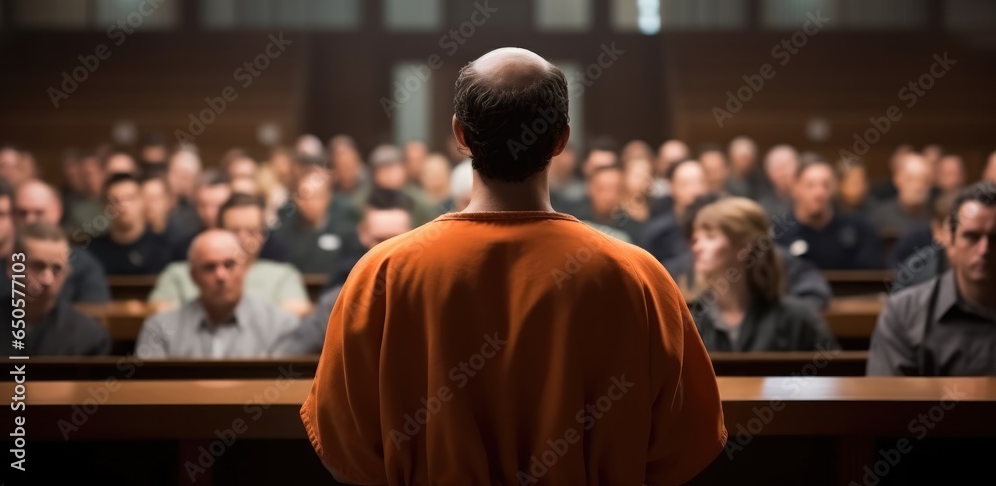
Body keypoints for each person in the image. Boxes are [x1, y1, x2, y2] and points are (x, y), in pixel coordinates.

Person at [301, 47, 726, 485]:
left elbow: (344, 448)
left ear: (459, 135)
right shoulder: (638, 277)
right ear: (561, 139)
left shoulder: (383, 273)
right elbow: (684, 444)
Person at [867, 182, 996, 375]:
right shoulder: (904, 314)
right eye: (971, 237)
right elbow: (887, 400)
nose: (984, 250)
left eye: (995, 238)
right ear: (949, 243)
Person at [687, 197, 839, 352]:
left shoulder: (798, 319)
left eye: (710, 237)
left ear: (745, 248)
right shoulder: (692, 321)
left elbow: (836, 372)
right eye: (696, 240)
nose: (696, 248)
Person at [280, 188, 415, 355]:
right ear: (363, 234)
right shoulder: (338, 297)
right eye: (380, 240)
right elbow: (292, 354)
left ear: (414, 237)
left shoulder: (428, 293)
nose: (388, 251)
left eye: (398, 239)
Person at [135, 229, 299, 358]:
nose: (220, 276)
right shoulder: (159, 330)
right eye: (209, 267)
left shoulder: (281, 326)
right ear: (193, 276)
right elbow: (149, 394)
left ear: (245, 269)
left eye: (229, 264)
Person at [149, 194, 310, 316]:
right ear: (217, 230)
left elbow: (295, 316)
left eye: (252, 231)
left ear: (262, 235)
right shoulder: (178, 274)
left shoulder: (283, 276)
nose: (242, 239)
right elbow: (159, 314)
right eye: (234, 231)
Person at [0, 223, 111, 356]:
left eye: (57, 268)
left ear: (67, 272)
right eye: (38, 266)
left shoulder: (90, 337)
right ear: (13, 267)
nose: (47, 280)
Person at [7, 178, 110, 303]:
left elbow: (96, 314)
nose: (30, 221)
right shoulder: (0, 261)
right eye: (22, 213)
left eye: (39, 213)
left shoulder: (85, 266)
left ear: (57, 211)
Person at [775, 157, 884, 270]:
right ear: (795, 188)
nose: (819, 192)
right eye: (810, 185)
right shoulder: (780, 233)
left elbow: (871, 275)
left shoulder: (860, 228)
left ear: (834, 188)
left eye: (825, 185)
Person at [87, 173, 170, 274]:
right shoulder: (94, 253)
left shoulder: (164, 249)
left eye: (130, 198)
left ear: (143, 202)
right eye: (114, 200)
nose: (122, 206)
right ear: (105, 206)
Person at [871, 153, 933, 238]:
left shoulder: (936, 218)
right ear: (897, 180)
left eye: (924, 180)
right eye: (911, 179)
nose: (918, 186)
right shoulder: (879, 217)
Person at [757, 144, 798, 218]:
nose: (783, 173)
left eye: (786, 166)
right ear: (768, 173)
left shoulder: (811, 198)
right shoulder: (763, 207)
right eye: (777, 168)